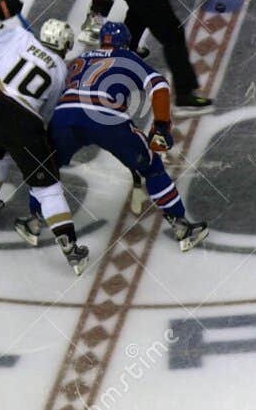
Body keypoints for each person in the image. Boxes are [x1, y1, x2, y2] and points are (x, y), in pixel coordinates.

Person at [45, 21, 207, 251]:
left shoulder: (79, 59)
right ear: (127, 42)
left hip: (65, 115)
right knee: (152, 166)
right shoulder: (127, 57)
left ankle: (33, 219)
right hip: (105, 116)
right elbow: (159, 86)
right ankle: (181, 225)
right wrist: (161, 126)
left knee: (46, 170)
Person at [0, 0, 87, 275]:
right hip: (22, 121)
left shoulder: (18, 36)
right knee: (48, 188)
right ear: (66, 46)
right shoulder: (60, 70)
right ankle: (70, 246)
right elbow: (45, 116)